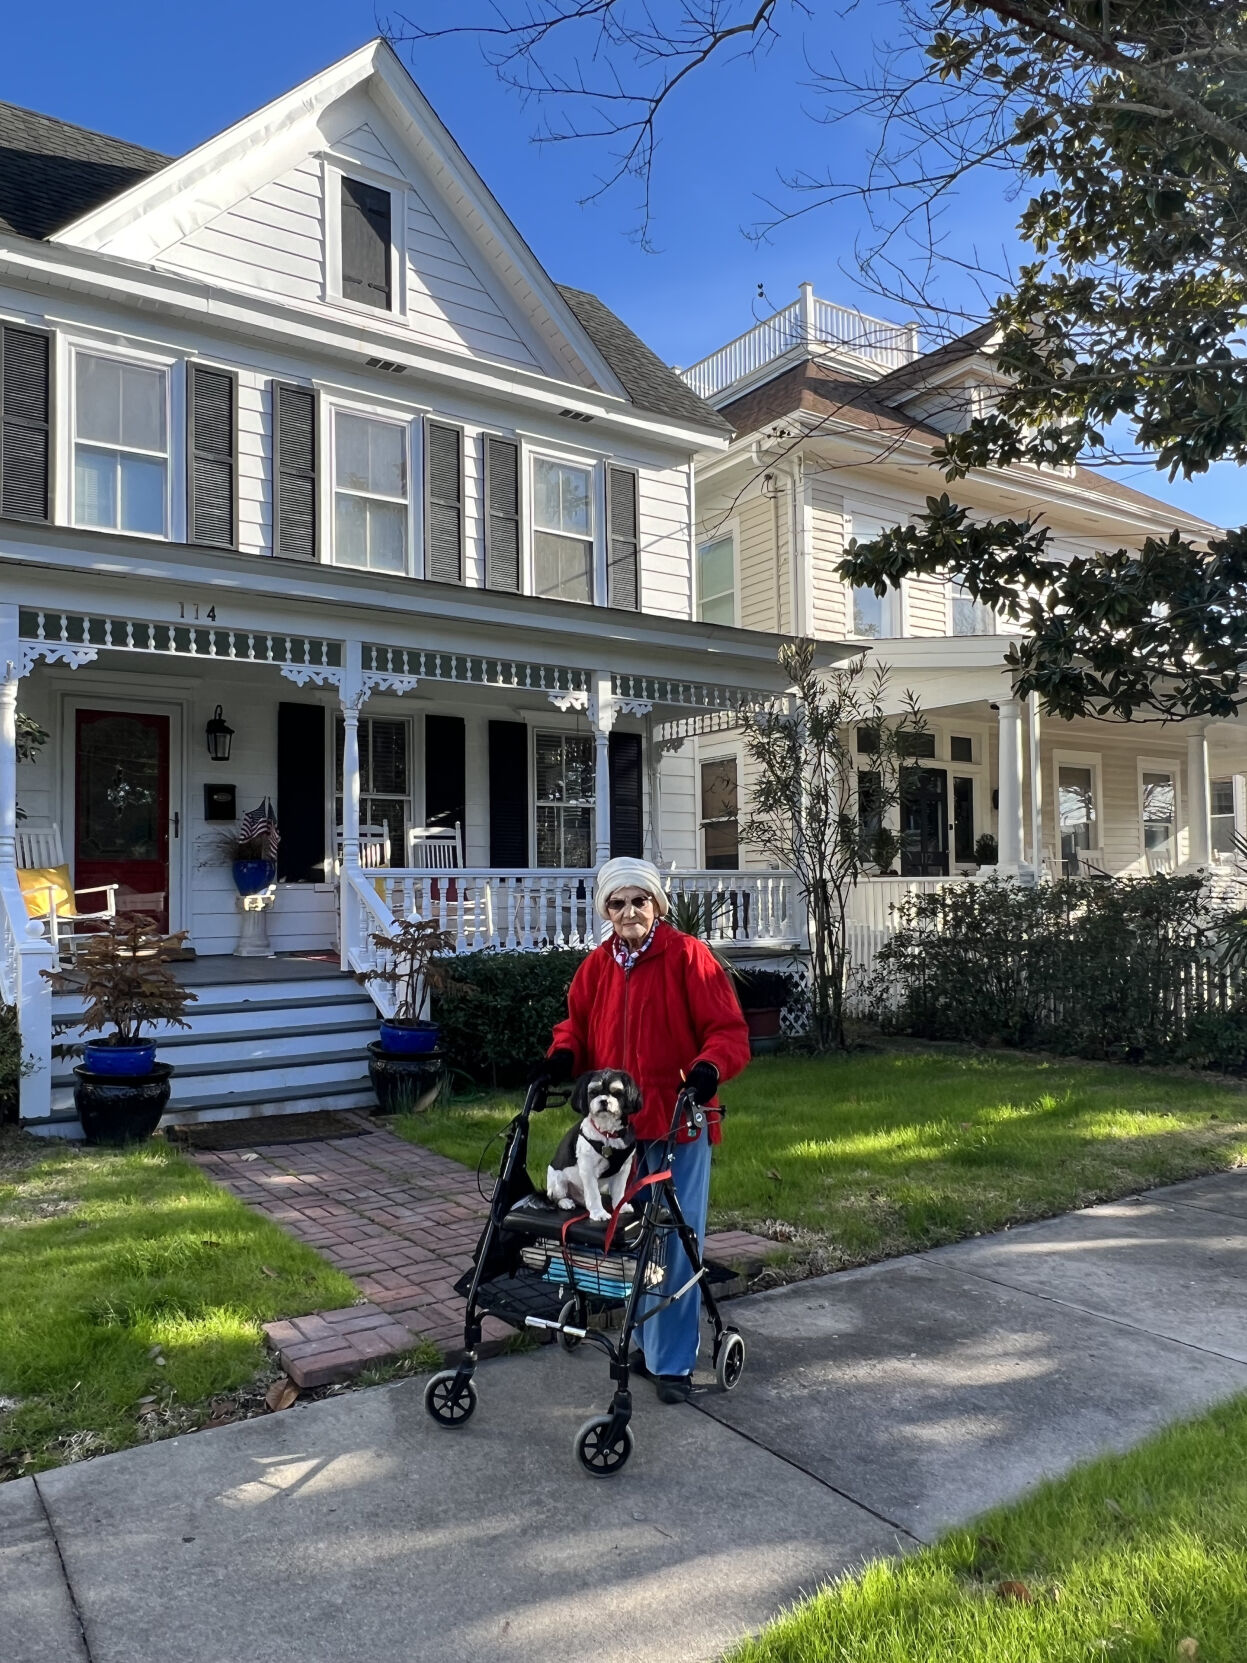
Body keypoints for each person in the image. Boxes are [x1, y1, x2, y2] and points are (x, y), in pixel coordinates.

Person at [529, 855, 750, 1403]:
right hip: (614, 1135)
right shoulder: (597, 966)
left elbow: (727, 1030)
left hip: (677, 1122)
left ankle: (670, 1361)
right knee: (628, 1239)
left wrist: (708, 1069)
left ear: (657, 905)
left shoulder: (687, 956)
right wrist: (562, 1057)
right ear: (606, 909)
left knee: (675, 1239)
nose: (629, 911)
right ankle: (645, 1339)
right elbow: (574, 1026)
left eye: (640, 900)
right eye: (618, 902)